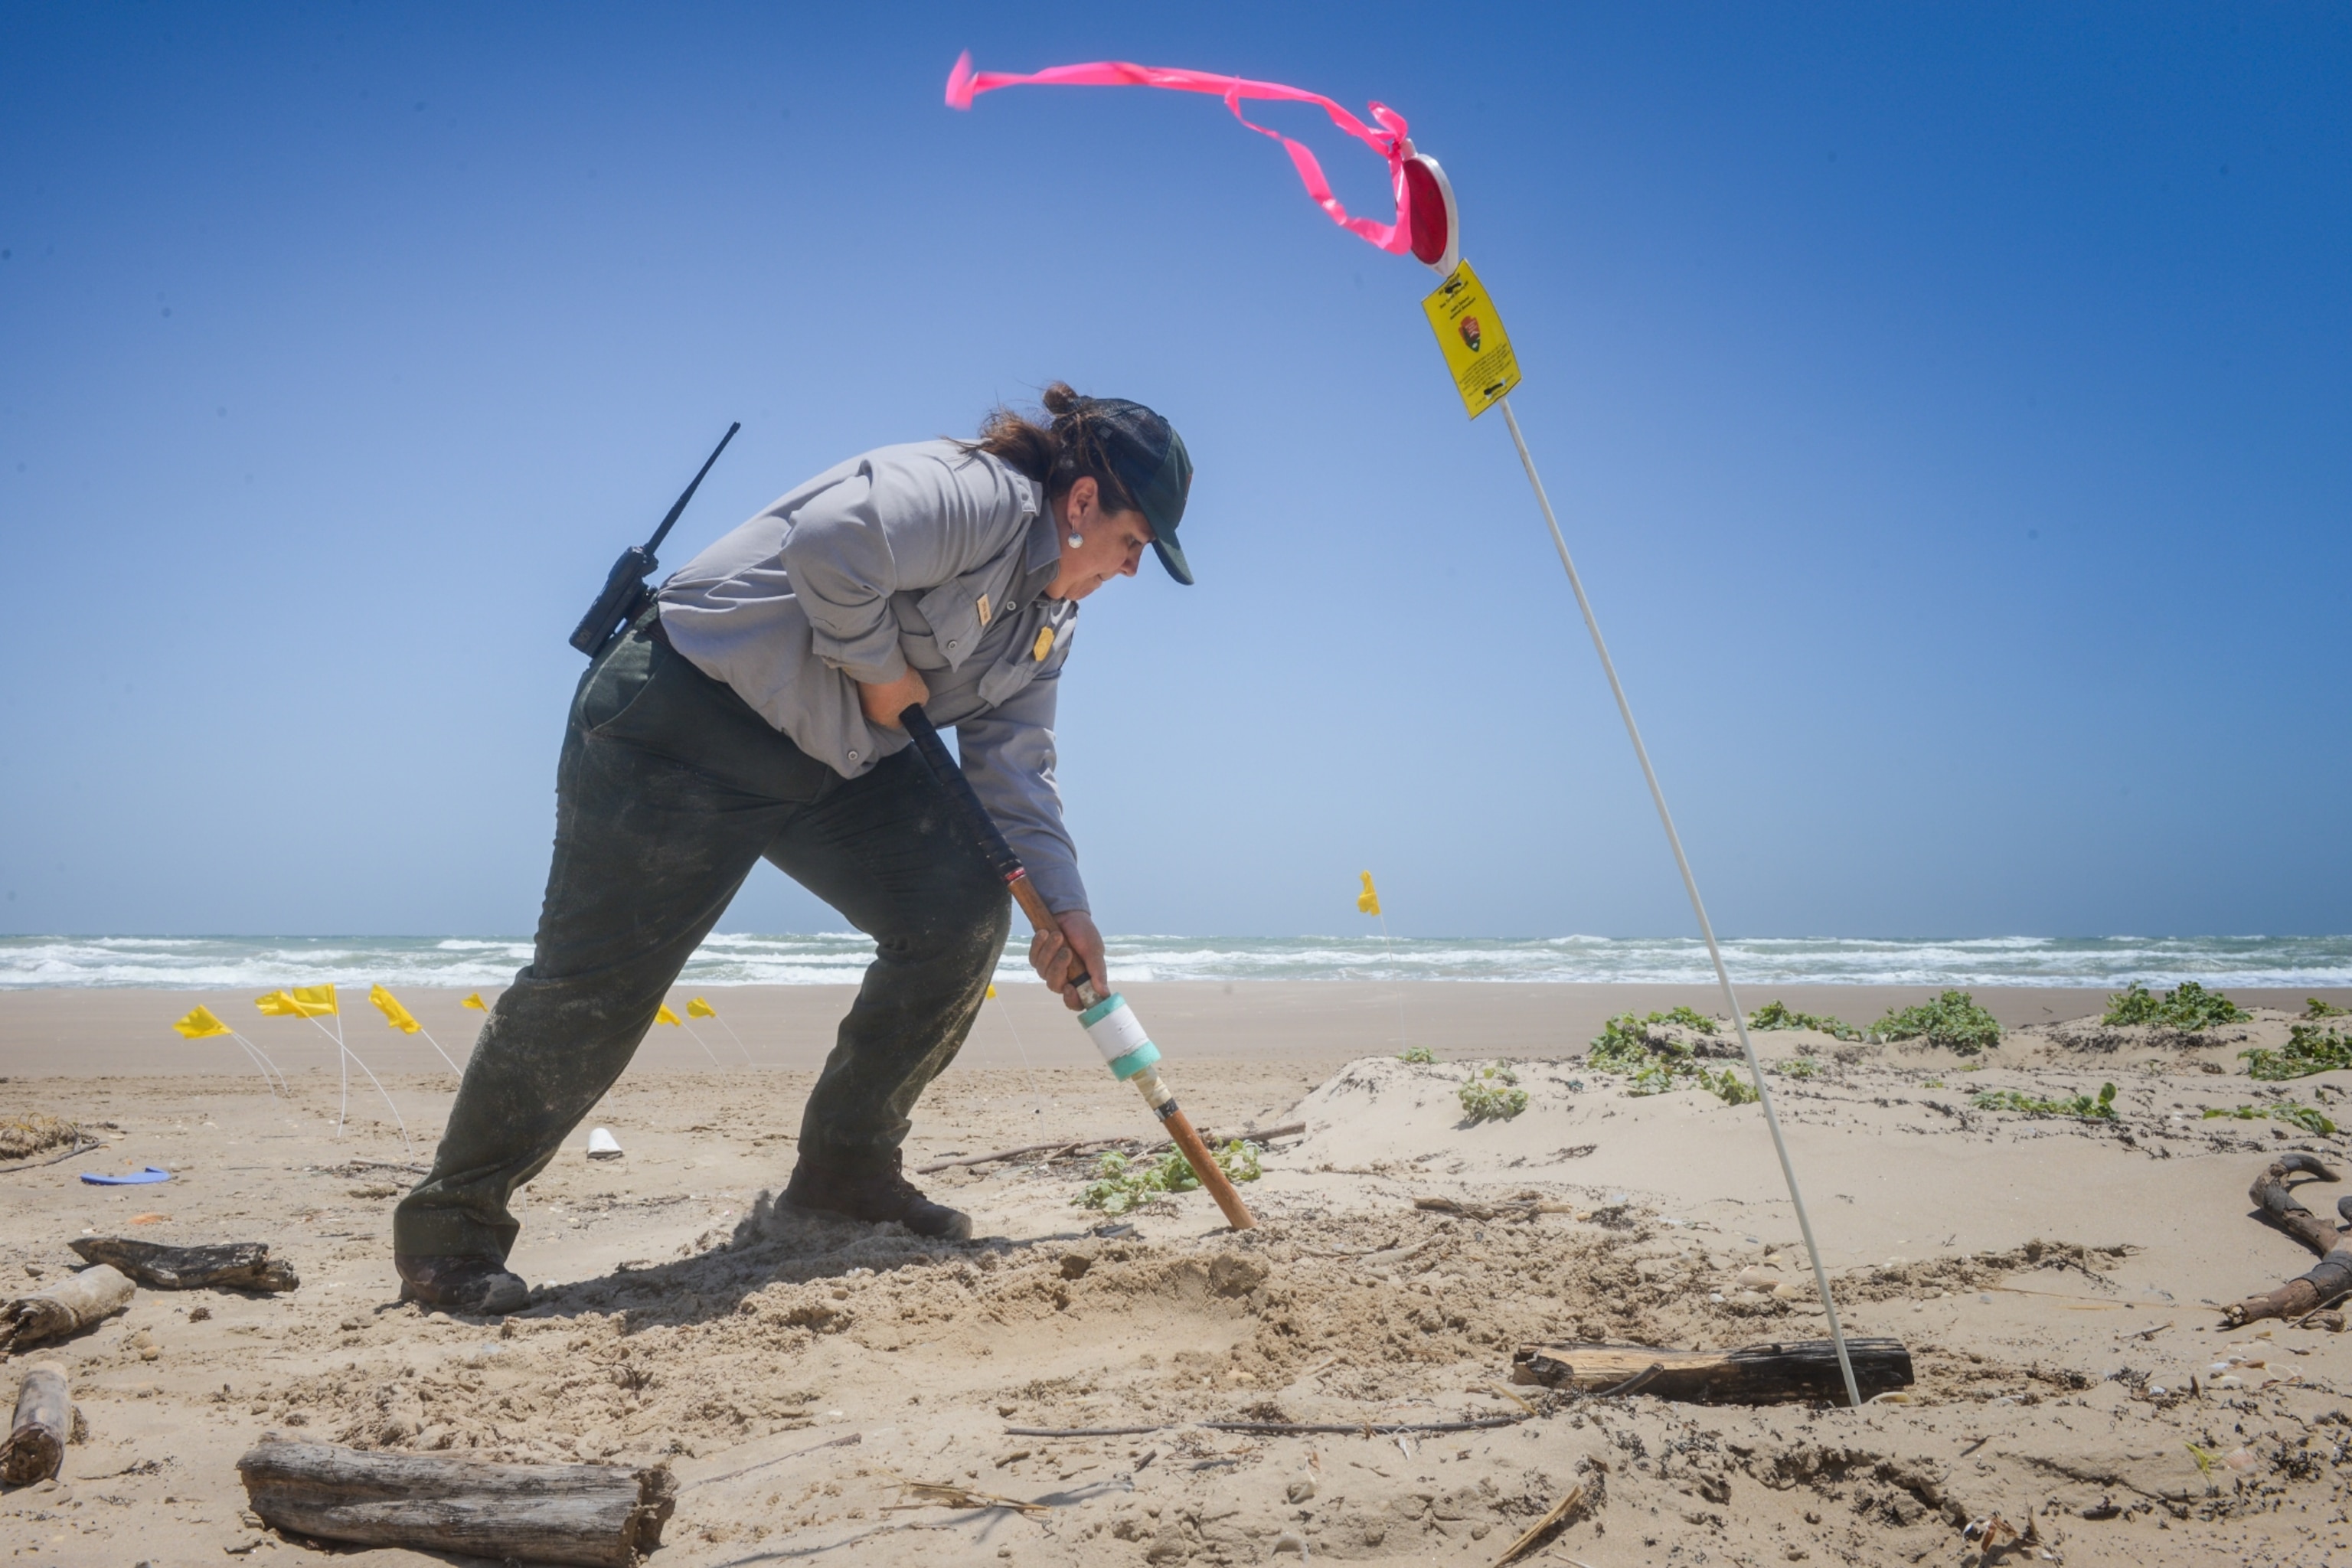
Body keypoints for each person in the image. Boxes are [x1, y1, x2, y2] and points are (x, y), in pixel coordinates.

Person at [391, 385, 1193, 1313]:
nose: (1132, 569)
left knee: (960, 907)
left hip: (830, 761)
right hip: (683, 719)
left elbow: (1014, 768)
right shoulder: (975, 495)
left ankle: (845, 1171)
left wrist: (1066, 907)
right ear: (1083, 501)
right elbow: (829, 540)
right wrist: (881, 668)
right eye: (1133, 542)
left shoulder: (1050, 619)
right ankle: (449, 1232)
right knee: (597, 986)